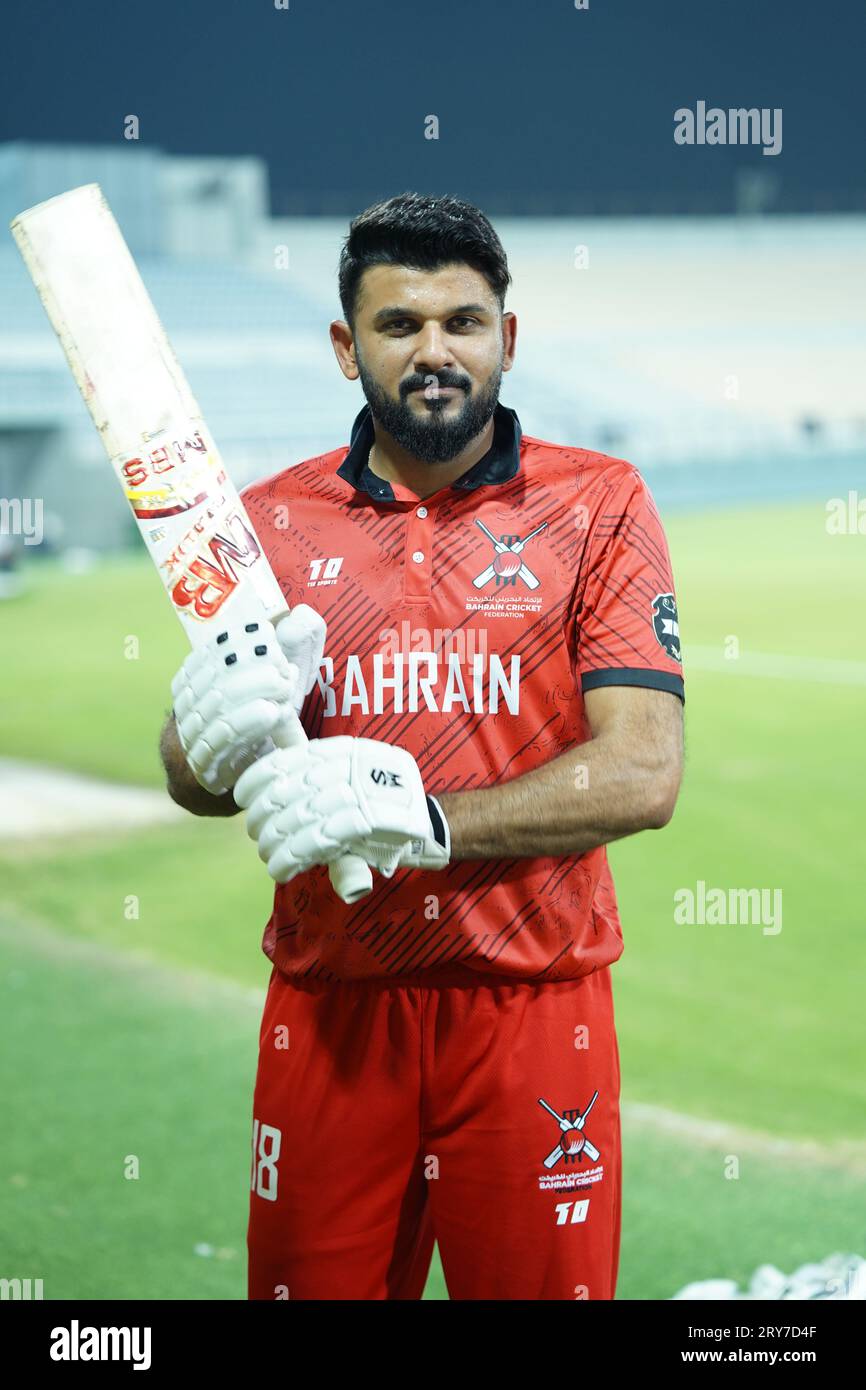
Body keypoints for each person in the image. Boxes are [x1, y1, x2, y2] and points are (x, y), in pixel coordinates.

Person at [159, 192, 685, 1301]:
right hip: (333, 1008)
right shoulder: (265, 523)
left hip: (531, 1011)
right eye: (399, 326)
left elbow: (642, 769)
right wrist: (200, 740)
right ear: (347, 346)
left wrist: (427, 822)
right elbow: (194, 766)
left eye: (463, 321)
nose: (434, 351)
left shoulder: (598, 503)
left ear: (507, 335)